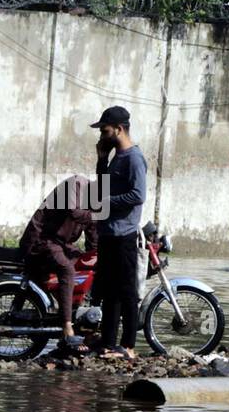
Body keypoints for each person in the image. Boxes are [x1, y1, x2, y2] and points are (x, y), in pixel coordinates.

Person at [90, 105, 147, 359]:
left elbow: (138, 195)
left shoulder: (134, 158)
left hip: (124, 235)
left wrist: (107, 201)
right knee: (109, 291)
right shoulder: (115, 157)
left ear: (120, 129)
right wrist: (101, 160)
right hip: (108, 233)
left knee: (127, 292)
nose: (101, 136)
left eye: (105, 131)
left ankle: (129, 347)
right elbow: (101, 189)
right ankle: (109, 343)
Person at [20, 174, 96, 353]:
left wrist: (96, 254)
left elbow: (94, 236)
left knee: (86, 266)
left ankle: (85, 326)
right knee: (67, 269)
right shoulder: (75, 184)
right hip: (41, 240)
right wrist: (99, 216)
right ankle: (67, 327)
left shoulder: (97, 203)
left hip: (61, 244)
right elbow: (73, 212)